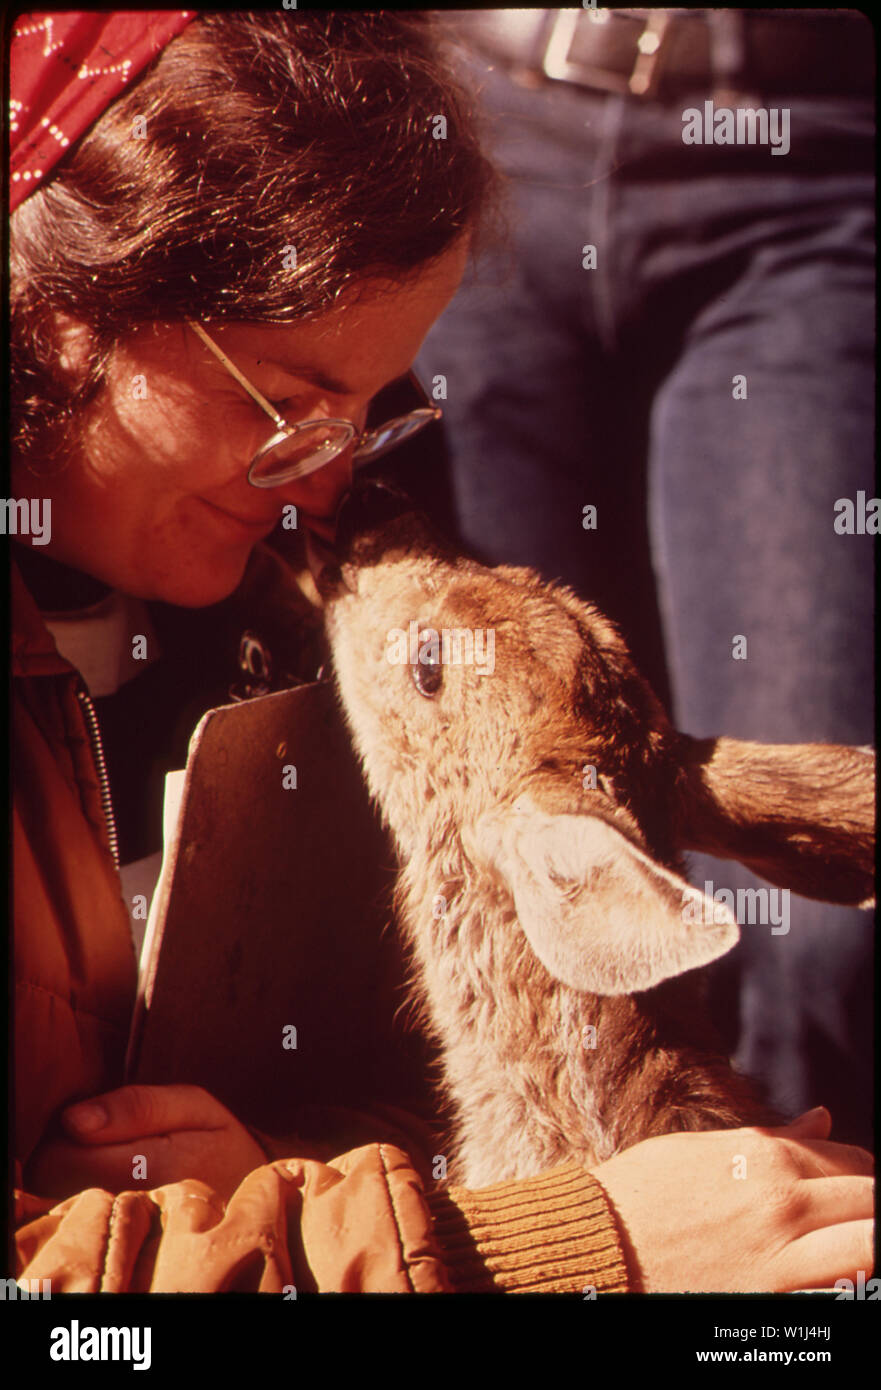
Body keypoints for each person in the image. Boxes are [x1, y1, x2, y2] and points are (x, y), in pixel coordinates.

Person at [9, 9, 873, 1295]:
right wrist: (563, 1243)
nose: (332, 481)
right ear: (77, 309)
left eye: (379, 408)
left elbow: (405, 1071)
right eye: (291, 403)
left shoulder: (262, 613)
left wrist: (289, 1170)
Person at [416, 7, 876, 1150]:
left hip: (803, 150)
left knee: (816, 930)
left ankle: (784, 1278)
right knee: (511, 845)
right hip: (482, 119)